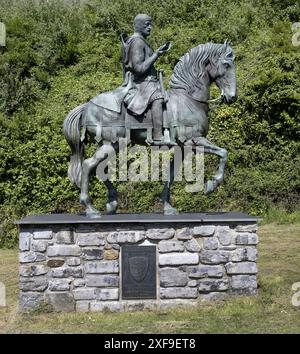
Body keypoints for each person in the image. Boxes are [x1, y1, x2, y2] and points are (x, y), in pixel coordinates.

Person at [123, 14, 173, 145]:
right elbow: (139, 68)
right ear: (138, 25)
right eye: (147, 25)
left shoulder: (141, 41)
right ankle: (158, 136)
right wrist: (156, 54)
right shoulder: (137, 41)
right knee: (158, 97)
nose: (150, 27)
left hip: (149, 81)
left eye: (150, 24)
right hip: (141, 84)